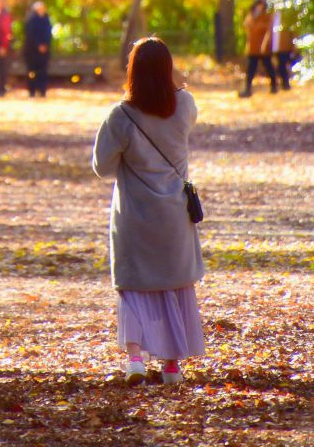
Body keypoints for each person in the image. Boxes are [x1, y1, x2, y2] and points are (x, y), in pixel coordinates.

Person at [92, 37, 204, 386]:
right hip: (174, 215)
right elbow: (181, 97)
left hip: (135, 216)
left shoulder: (121, 116)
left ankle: (135, 359)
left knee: (134, 287)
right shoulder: (184, 106)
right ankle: (171, 366)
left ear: (133, 71)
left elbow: (101, 166)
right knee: (173, 286)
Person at [240, 0, 277, 97]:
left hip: (263, 47)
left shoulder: (267, 14)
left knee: (268, 67)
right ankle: (247, 89)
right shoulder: (251, 13)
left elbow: (269, 29)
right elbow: (246, 25)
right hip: (253, 47)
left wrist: (266, 43)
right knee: (250, 69)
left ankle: (274, 87)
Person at [23, 0, 51, 97]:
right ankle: (32, 91)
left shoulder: (46, 19)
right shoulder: (31, 20)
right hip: (32, 51)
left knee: (43, 71)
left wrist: (45, 45)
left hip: (44, 52)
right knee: (31, 71)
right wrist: (38, 45)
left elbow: (48, 34)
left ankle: (42, 91)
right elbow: (30, 35)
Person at [270, 6, 296, 91]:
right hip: (275, 47)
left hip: (284, 48)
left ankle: (285, 84)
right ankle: (280, 84)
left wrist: (292, 47)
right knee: (278, 66)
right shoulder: (272, 21)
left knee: (282, 65)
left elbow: (292, 35)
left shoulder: (286, 23)